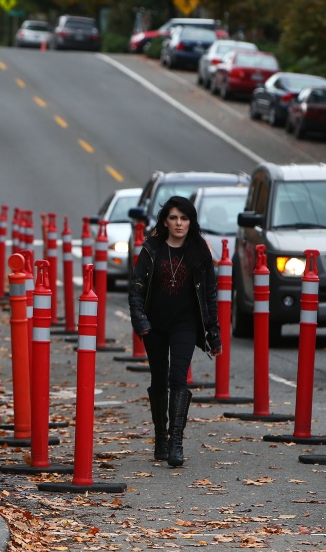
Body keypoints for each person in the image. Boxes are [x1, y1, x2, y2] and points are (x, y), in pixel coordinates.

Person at [127, 196, 221, 468]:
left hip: (186, 324)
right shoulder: (151, 249)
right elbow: (136, 290)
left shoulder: (200, 252)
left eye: (184, 218)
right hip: (154, 324)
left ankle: (176, 442)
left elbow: (210, 296)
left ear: (191, 221)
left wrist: (213, 335)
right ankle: (160, 437)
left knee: (178, 378)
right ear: (165, 221)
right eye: (174, 218)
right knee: (159, 379)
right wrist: (140, 322)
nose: (179, 223)